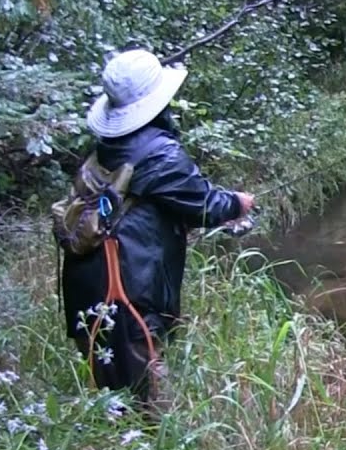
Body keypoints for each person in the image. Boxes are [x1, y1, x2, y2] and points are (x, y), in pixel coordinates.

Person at [59, 48, 254, 409]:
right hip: (128, 294)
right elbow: (207, 204)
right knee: (153, 408)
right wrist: (238, 203)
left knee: (108, 393)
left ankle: (112, 437)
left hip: (86, 289)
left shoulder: (107, 146)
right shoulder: (159, 153)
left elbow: (147, 204)